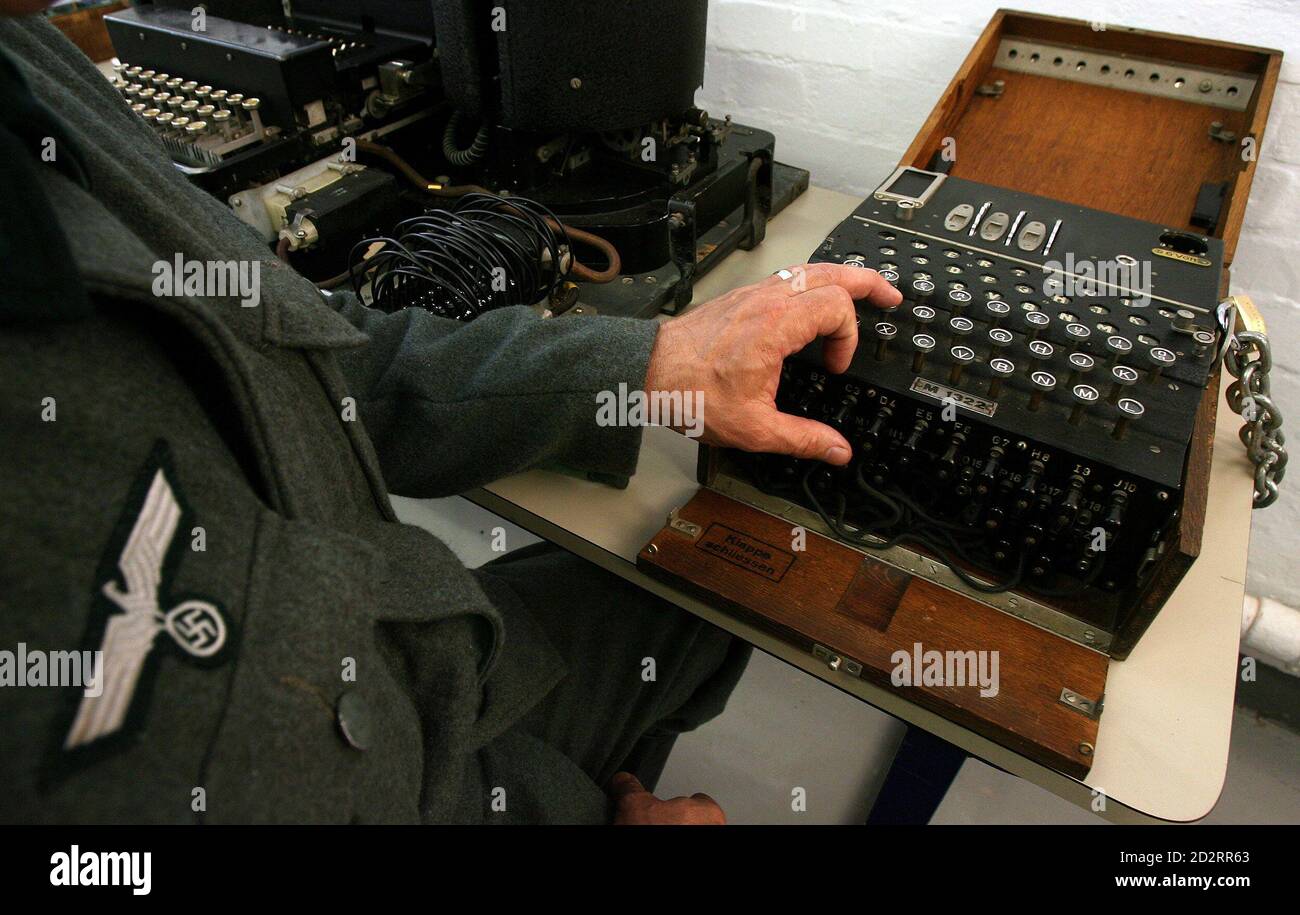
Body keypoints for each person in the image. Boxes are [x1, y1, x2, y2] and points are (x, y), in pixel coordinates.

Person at [0, 10, 900, 824]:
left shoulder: (24, 57)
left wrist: (654, 361)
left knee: (703, 596)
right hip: (412, 781)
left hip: (404, 651)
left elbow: (316, 349)